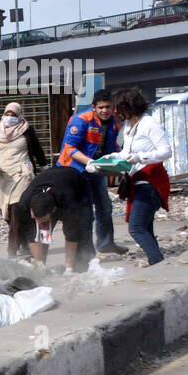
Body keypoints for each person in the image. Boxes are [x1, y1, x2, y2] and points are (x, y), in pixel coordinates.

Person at [58, 90, 127, 255]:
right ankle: (85, 250)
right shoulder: (81, 120)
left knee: (105, 207)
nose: (105, 111)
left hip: (96, 170)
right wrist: (90, 162)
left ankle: (106, 243)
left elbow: (111, 147)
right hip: (74, 171)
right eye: (101, 107)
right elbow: (70, 149)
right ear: (94, 107)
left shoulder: (115, 123)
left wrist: (121, 160)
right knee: (85, 210)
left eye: (108, 107)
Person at [111, 87, 172, 265]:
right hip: (136, 181)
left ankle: (157, 261)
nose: (115, 112)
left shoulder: (149, 124)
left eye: (118, 108)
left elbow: (166, 151)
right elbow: (126, 153)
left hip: (151, 181)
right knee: (145, 227)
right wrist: (109, 159)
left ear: (129, 106)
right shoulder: (129, 126)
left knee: (136, 227)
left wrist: (142, 157)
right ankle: (157, 263)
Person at [0, 102, 48, 255]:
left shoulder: (26, 129)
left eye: (13, 115)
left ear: (19, 115)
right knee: (6, 213)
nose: (9, 118)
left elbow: (37, 149)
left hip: (22, 172)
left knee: (17, 210)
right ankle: (26, 244)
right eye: (7, 114)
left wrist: (44, 169)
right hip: (2, 175)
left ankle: (12, 251)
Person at [12, 165, 95, 272]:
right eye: (35, 218)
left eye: (42, 219)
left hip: (77, 185)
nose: (37, 222)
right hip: (51, 177)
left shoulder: (69, 204)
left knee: (82, 231)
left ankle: (81, 269)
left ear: (53, 211)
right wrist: (39, 265)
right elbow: (32, 238)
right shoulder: (23, 205)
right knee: (40, 233)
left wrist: (68, 269)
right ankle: (41, 267)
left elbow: (72, 237)